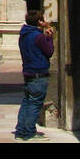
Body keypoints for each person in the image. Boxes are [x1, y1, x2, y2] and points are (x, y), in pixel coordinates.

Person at [14, 8, 54, 141]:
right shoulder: (38, 36)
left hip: (28, 72)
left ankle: (20, 131)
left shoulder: (24, 34)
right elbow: (49, 52)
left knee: (26, 102)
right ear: (39, 22)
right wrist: (49, 38)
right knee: (35, 103)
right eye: (43, 20)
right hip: (39, 73)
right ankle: (29, 132)